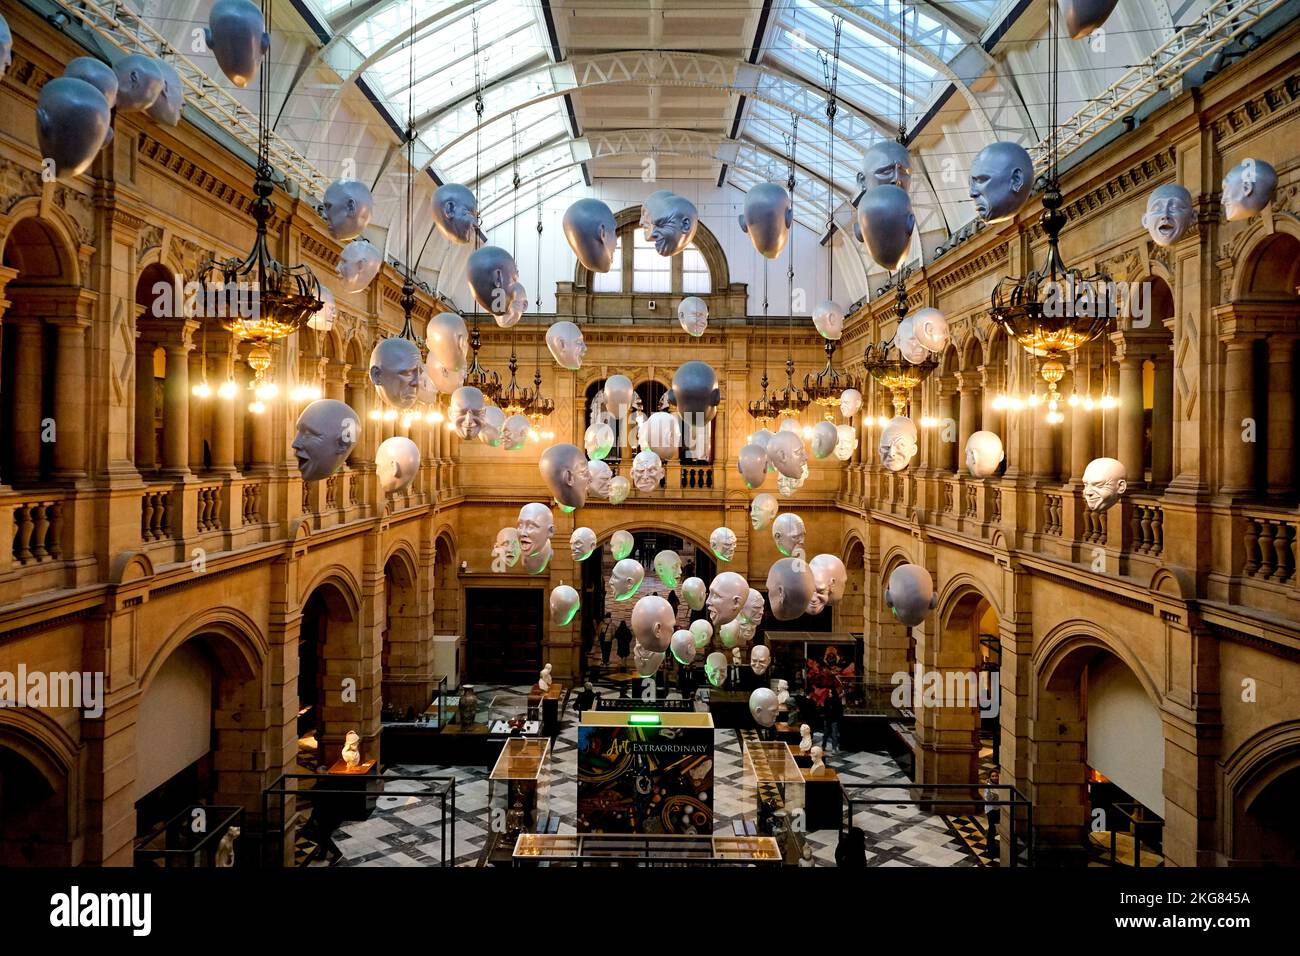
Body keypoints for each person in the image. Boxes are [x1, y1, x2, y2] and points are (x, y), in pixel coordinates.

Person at [820, 682, 843, 755]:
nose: (829, 694)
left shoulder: (837, 701)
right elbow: (825, 709)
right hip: (827, 719)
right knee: (825, 734)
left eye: (830, 692)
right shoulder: (827, 699)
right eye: (829, 692)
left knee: (834, 734)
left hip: (834, 720)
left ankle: (834, 748)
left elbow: (839, 711)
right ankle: (823, 746)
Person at [983, 769, 1000, 859]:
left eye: (996, 775)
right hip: (991, 810)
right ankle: (990, 849)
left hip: (999, 809)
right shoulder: (988, 786)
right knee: (992, 829)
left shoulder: (1001, 784)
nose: (995, 778)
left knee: (996, 828)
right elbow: (988, 799)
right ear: (990, 777)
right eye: (993, 776)